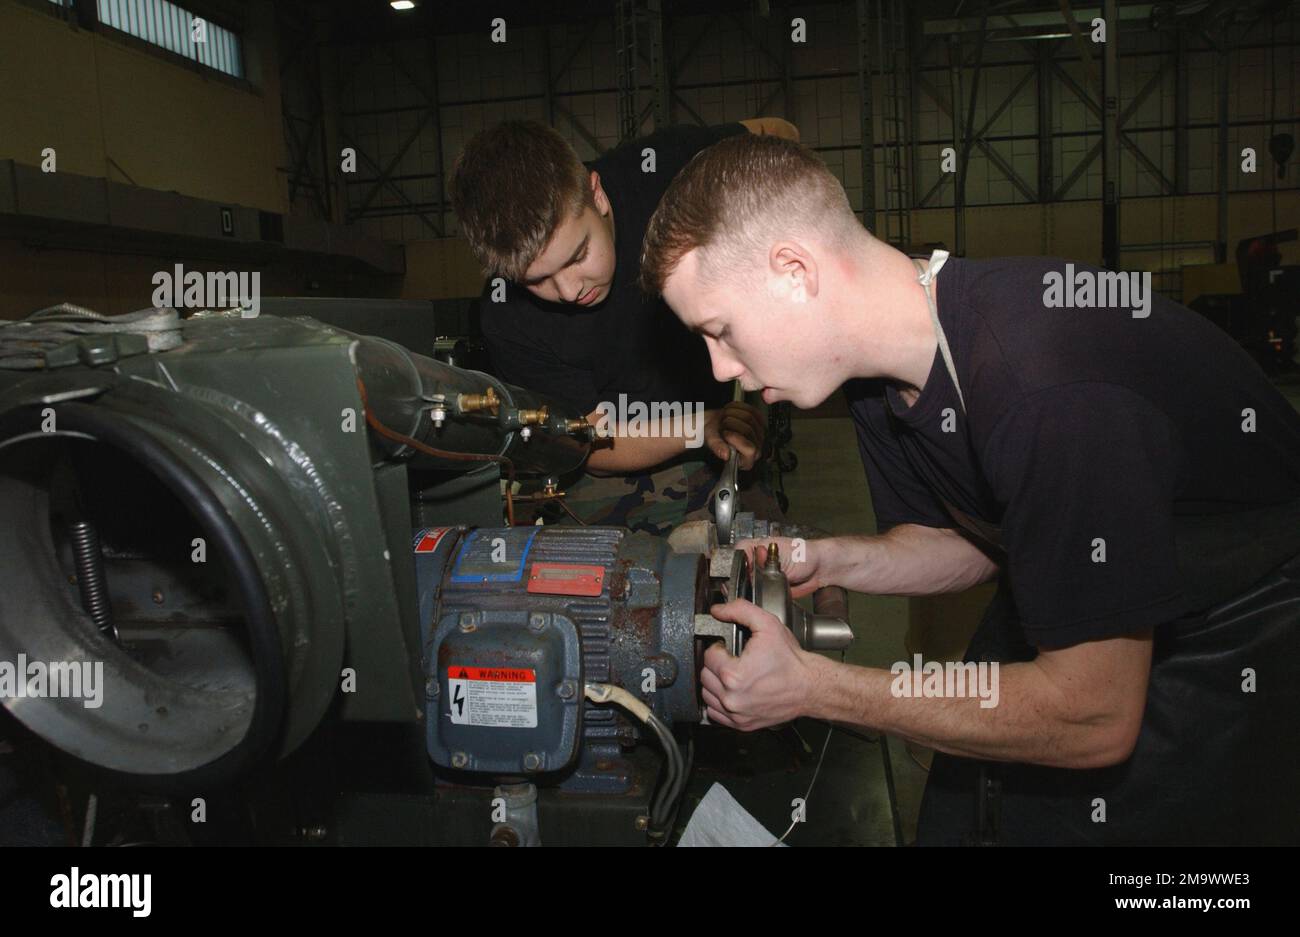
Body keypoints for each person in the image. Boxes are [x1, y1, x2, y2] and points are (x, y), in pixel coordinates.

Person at [639, 132, 1300, 845]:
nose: (718, 369)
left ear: (794, 270)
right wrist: (823, 558)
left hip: (1240, 615)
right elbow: (968, 542)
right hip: (1091, 585)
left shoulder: (1042, 384)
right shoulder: (878, 372)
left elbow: (1096, 716)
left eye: (722, 330)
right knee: (960, 815)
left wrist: (816, 688)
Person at [449, 118, 797, 532]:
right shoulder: (507, 315)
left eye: (577, 255)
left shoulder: (667, 171)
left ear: (597, 195)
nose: (567, 290)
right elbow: (591, 446)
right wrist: (703, 425)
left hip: (721, 445)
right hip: (616, 464)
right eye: (535, 279)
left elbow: (780, 132)